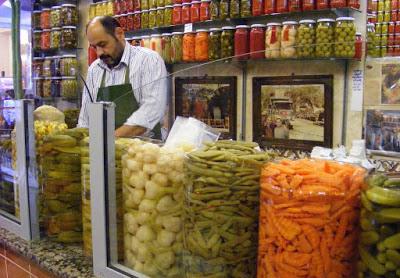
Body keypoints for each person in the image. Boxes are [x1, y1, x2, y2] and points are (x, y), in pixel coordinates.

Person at [78, 16, 167, 138]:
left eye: (103, 44)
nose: (99, 53)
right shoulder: (95, 69)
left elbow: (151, 112)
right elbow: (85, 118)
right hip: (105, 151)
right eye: (94, 47)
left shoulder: (148, 60)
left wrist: (109, 141)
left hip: (144, 151)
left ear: (119, 34)